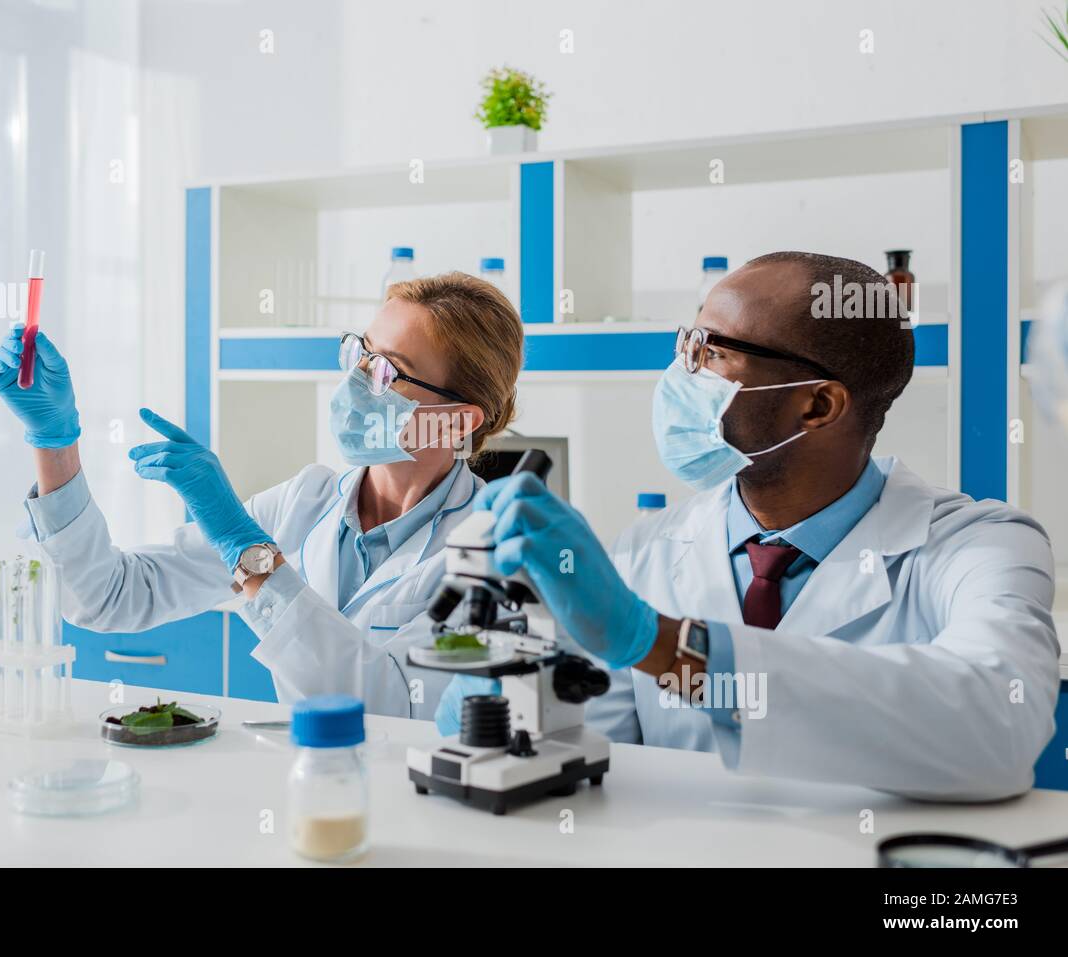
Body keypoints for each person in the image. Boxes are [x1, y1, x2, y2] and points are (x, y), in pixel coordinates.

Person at [439, 251, 1059, 802]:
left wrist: (654, 642)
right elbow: (601, 770)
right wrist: (505, 696)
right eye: (689, 342)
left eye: (714, 351)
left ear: (817, 404)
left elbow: (998, 728)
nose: (684, 370)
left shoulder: (981, 544)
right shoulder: (648, 549)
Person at [0, 272, 524, 719]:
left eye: (388, 371)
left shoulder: (494, 552)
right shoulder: (302, 503)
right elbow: (109, 597)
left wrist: (246, 549)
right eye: (360, 354)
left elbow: (392, 706)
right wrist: (56, 444)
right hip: (311, 793)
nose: (357, 382)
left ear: (456, 422)